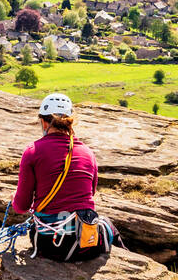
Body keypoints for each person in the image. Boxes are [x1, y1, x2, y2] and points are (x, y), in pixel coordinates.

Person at [10, 93, 122, 262]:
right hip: (86, 244)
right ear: (70, 122)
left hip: (48, 245)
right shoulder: (87, 153)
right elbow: (90, 194)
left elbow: (21, 206)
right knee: (107, 225)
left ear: (43, 122)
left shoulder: (32, 152)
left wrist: (15, 199)